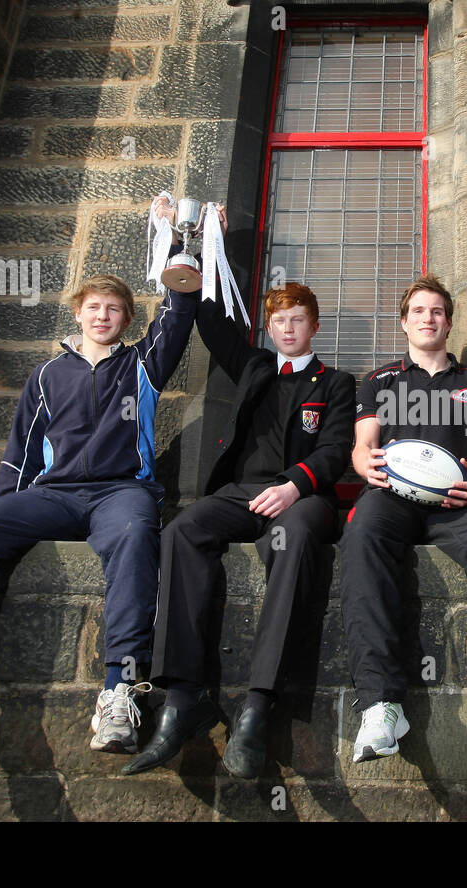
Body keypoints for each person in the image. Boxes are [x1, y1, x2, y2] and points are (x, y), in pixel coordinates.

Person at [0, 196, 201, 765]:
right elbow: (20, 455)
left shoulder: (142, 364)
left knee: (133, 536)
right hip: (52, 496)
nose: (104, 316)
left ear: (125, 319)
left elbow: (178, 311)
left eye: (115, 309)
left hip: (121, 492)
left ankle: (119, 689)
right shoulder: (46, 375)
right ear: (78, 312)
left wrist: (176, 238)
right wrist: (0, 527)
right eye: (94, 307)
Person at [125, 277, 355, 778]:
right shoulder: (253, 366)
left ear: (314, 326)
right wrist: (199, 248)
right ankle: (183, 698)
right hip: (241, 494)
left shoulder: (336, 382)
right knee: (182, 531)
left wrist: (296, 484)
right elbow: (211, 319)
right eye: (279, 321)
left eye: (298, 319)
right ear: (270, 328)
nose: (288, 328)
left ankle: (257, 704)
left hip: (303, 499)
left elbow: (336, 450)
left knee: (291, 539)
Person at [341, 274, 467, 761]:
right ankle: (380, 704)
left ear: (449, 322)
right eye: (419, 311)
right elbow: (363, 445)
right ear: (404, 323)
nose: (429, 318)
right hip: (394, 496)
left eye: (438, 312)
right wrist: (366, 466)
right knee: (361, 533)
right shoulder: (380, 380)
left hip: (457, 497)